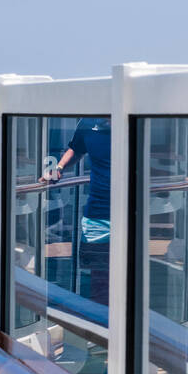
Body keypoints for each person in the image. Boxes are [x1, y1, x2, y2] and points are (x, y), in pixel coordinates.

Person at [42, 117, 112, 306]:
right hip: (97, 213)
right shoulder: (87, 124)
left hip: (131, 215)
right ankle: (101, 329)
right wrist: (59, 167)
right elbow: (76, 148)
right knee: (99, 279)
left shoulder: (135, 119)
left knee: (127, 277)